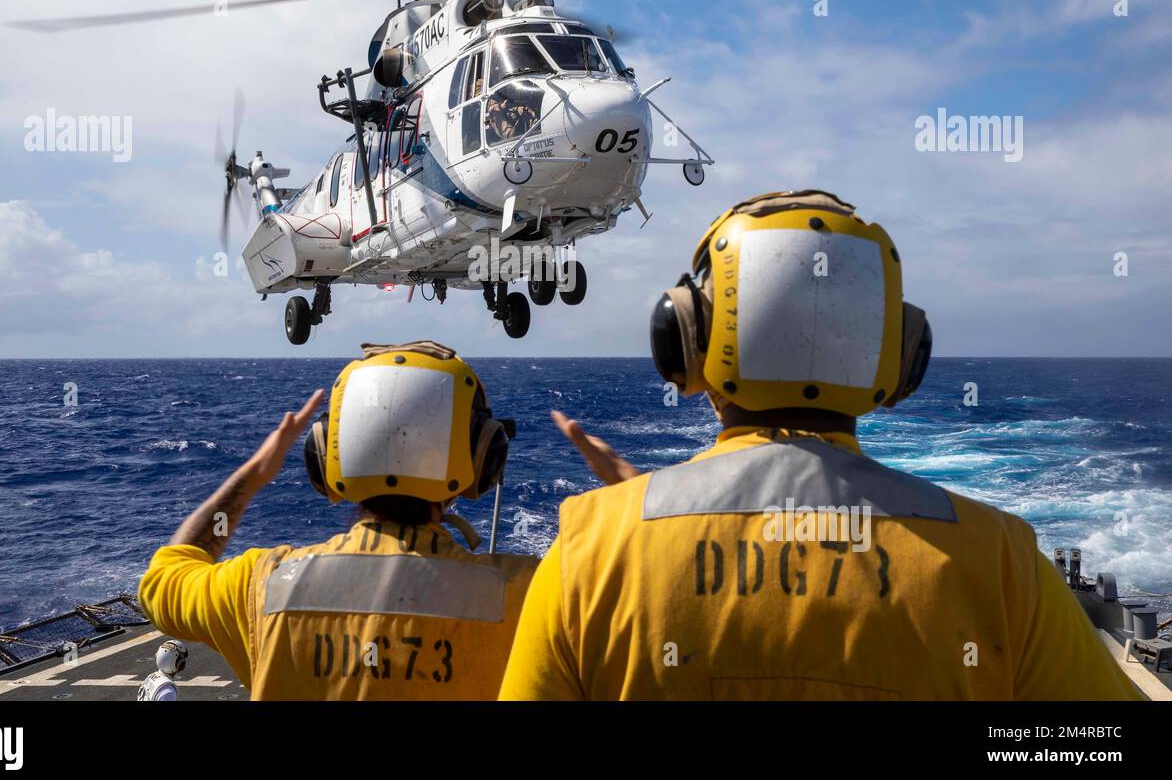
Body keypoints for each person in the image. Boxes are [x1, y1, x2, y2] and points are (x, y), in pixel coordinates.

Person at [499, 190, 1142, 700]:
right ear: (898, 359)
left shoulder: (590, 553)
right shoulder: (1004, 565)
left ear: (686, 342)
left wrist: (645, 521)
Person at [138, 341, 539, 699]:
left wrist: (255, 474)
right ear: (484, 458)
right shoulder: (530, 594)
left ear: (325, 458)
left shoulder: (260, 585)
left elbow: (164, 580)